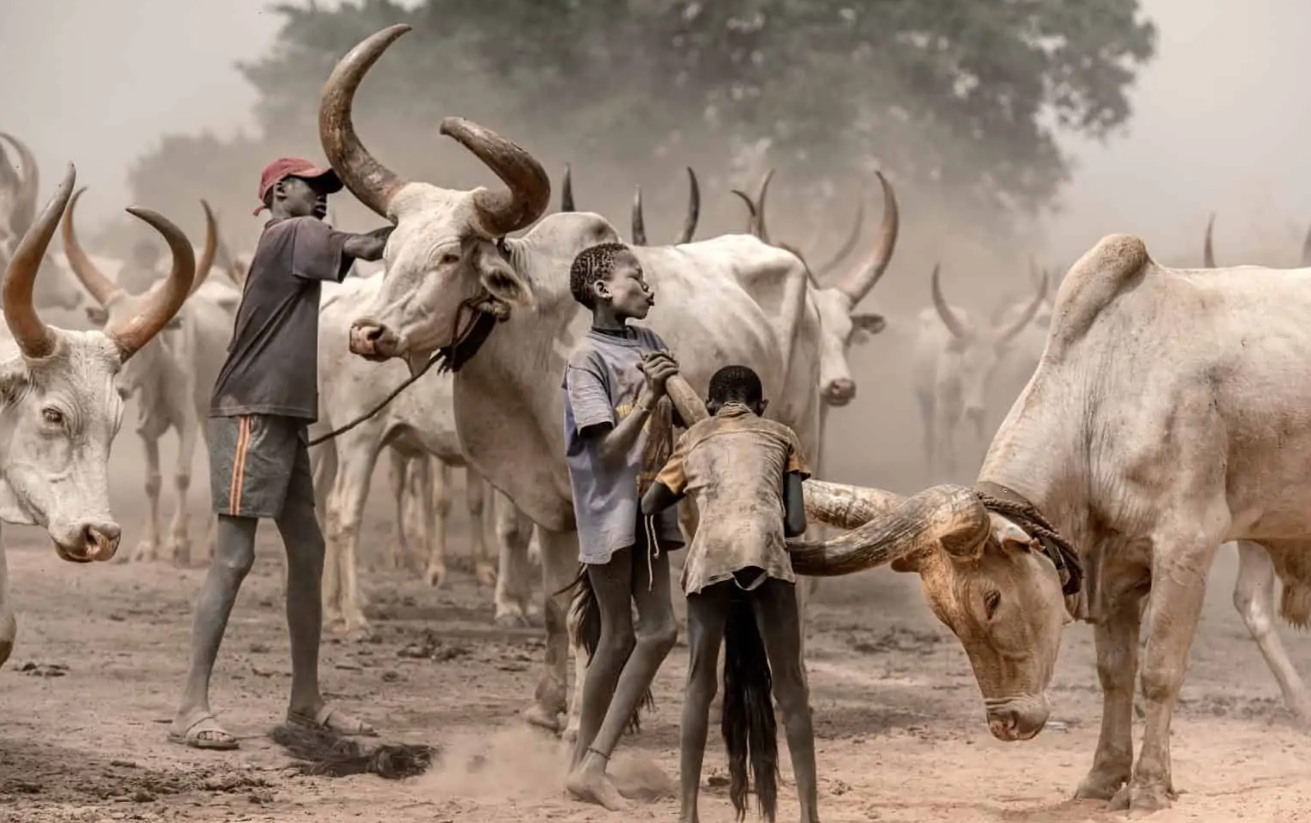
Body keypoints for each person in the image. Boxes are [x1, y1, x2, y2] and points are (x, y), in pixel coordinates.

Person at [168, 157, 392, 750]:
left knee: (310, 548)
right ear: (279, 191)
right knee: (234, 557)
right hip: (250, 412)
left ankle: (305, 703)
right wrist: (429, 219)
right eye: (312, 186)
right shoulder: (291, 233)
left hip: (283, 415)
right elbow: (371, 245)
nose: (322, 196)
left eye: (326, 189)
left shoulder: (296, 242)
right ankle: (190, 707)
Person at [641, 364, 816, 823]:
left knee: (699, 684)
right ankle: (809, 816)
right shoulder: (783, 435)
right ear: (761, 407)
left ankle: (688, 813)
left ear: (713, 405)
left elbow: (649, 503)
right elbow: (795, 524)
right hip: (766, 555)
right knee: (792, 689)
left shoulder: (694, 437)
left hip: (709, 560)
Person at [559, 242, 686, 810]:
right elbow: (605, 452)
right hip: (610, 509)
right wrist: (652, 394)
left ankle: (587, 763)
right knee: (622, 635)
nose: (647, 286)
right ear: (603, 290)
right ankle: (591, 762)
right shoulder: (586, 358)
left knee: (650, 631)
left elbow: (682, 415)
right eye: (636, 276)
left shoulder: (651, 343)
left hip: (653, 506)